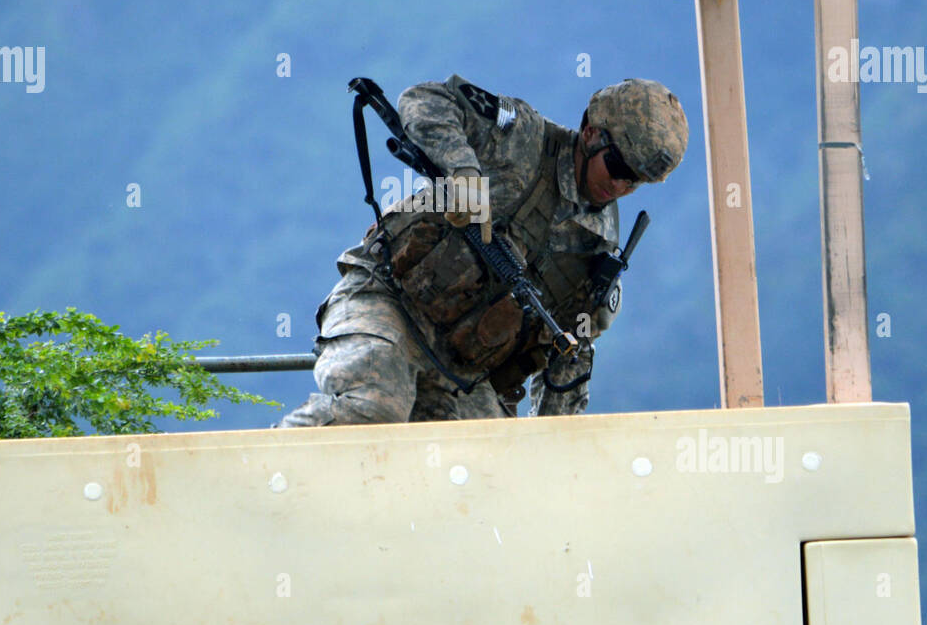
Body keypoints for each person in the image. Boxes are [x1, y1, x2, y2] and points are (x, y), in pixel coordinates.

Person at [277, 73, 688, 427]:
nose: (620, 187)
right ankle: (261, 473)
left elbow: (568, 360)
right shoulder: (522, 137)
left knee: (491, 471)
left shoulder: (598, 253)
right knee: (374, 409)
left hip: (464, 370)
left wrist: (554, 458)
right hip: (389, 299)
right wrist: (464, 172)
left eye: (634, 182)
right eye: (617, 168)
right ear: (592, 133)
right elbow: (425, 100)